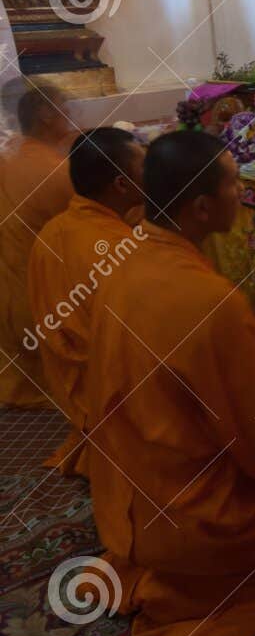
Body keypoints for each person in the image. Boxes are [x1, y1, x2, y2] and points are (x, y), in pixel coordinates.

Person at [86, 129, 255, 636]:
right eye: (235, 184)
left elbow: (184, 367)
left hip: (132, 494)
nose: (244, 195)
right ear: (204, 208)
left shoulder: (125, 259)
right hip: (201, 523)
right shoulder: (209, 301)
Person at [28, 127, 146, 477]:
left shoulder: (54, 231)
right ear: (121, 186)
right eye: (143, 166)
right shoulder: (120, 248)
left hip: (71, 388)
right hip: (116, 393)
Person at [0, 83, 75, 409]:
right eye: (63, 107)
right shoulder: (56, 171)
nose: (69, 114)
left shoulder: (12, 154)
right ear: (46, 115)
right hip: (40, 288)